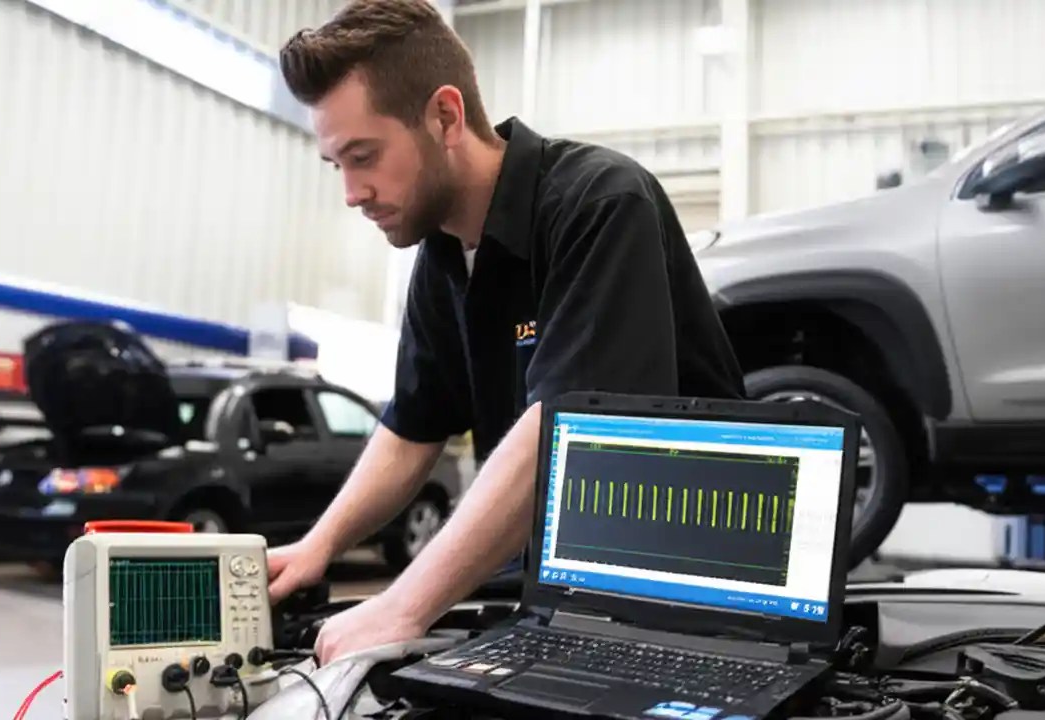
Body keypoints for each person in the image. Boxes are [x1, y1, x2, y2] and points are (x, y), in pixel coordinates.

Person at [267, 0, 745, 664]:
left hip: (686, 594)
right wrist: (315, 550)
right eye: (336, 165)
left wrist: (402, 605)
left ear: (445, 116)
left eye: (364, 156)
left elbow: (563, 431)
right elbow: (412, 427)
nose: (351, 191)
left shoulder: (600, 204)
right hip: (553, 584)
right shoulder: (440, 256)